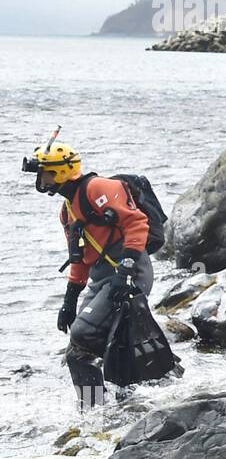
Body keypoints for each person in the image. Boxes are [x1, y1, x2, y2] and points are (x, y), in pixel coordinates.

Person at [25, 136, 152, 408]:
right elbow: (79, 258)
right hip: (102, 276)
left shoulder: (98, 188)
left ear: (61, 171)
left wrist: (126, 272)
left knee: (83, 338)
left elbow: (137, 224)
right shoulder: (67, 211)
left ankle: (100, 411)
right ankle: (107, 407)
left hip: (130, 271)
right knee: (79, 349)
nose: (41, 179)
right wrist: (69, 301)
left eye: (44, 173)